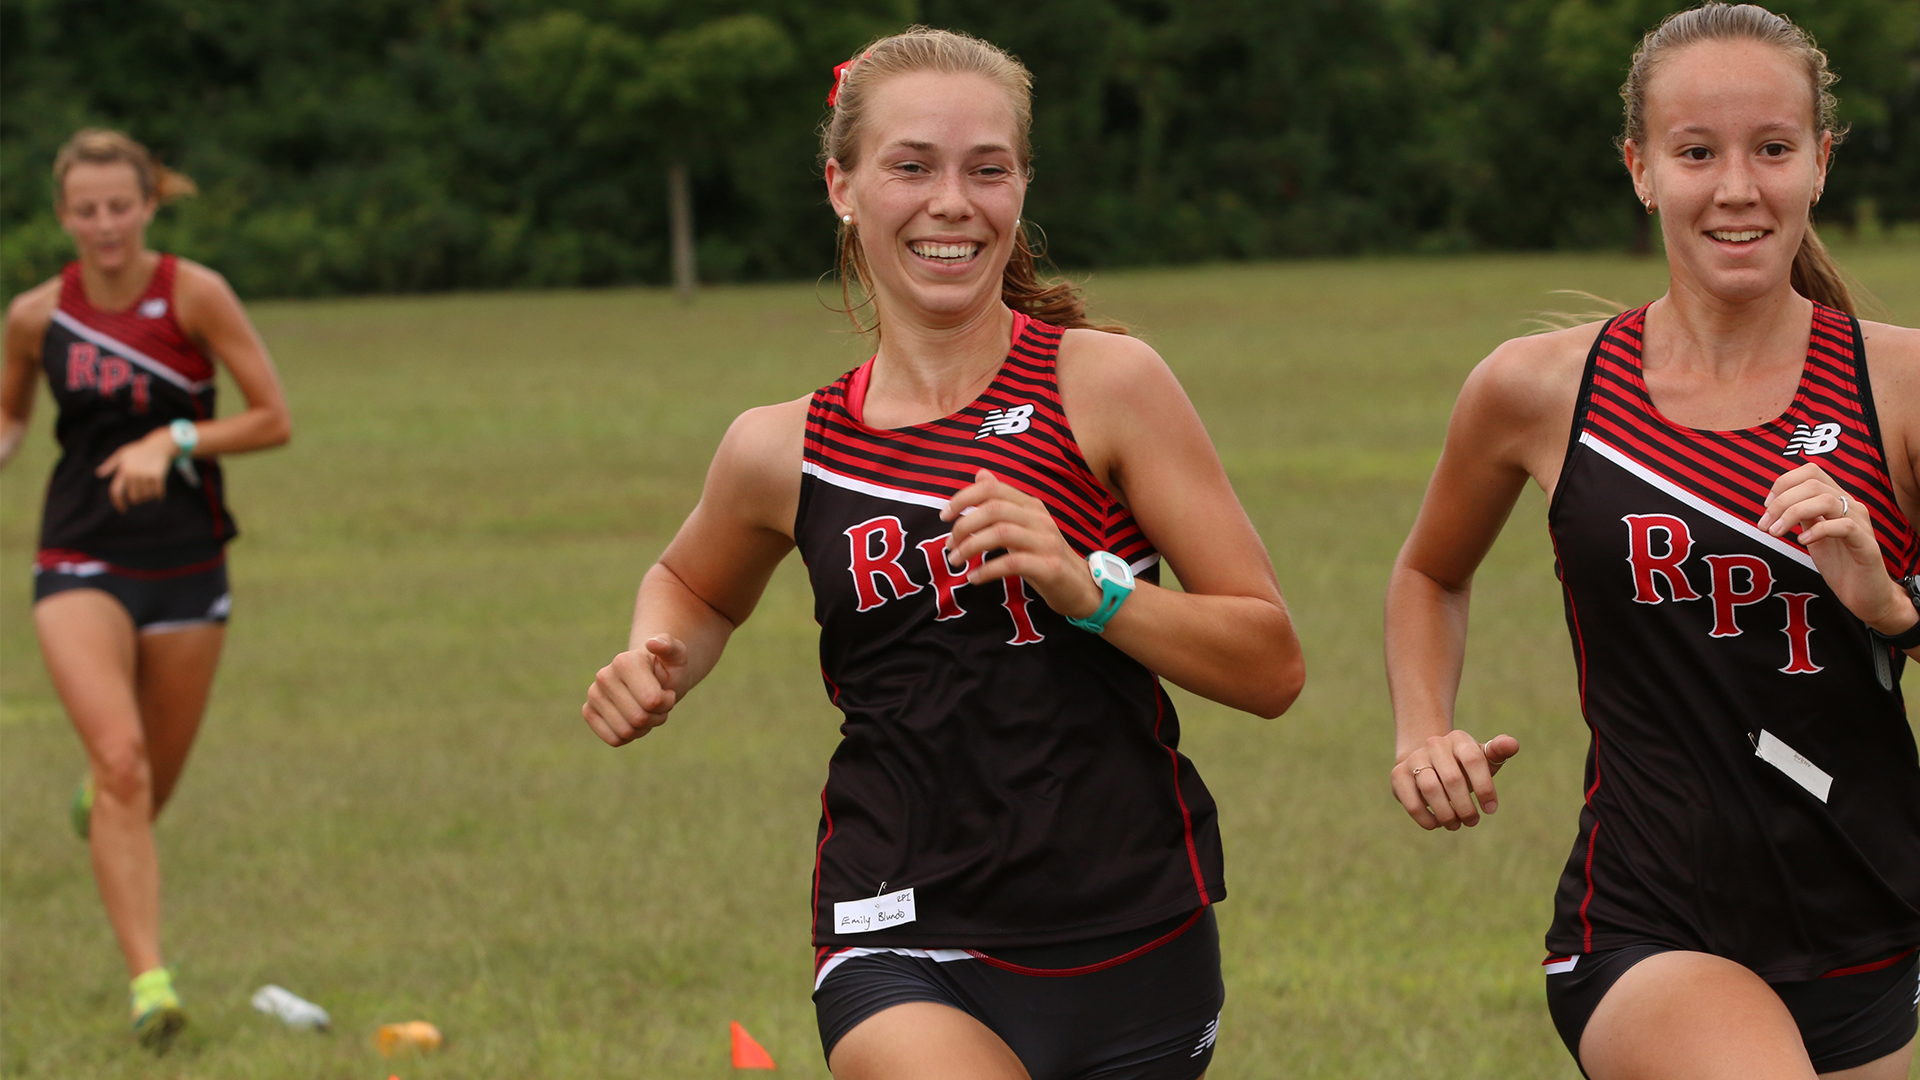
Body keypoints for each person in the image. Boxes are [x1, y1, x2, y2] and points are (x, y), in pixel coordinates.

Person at [582, 27, 1303, 1080]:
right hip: (898, 928)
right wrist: (658, 654)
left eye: (987, 169)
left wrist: (1089, 590)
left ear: (1021, 188)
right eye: (911, 166)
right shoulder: (780, 448)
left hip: (1133, 931)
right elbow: (692, 584)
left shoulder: (1107, 387)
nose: (952, 203)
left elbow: (1271, 663)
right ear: (842, 186)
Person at [1384, 5, 1920, 1078]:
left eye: (1773, 148)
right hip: (1645, 915)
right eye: (1696, 152)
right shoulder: (1537, 387)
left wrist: (1889, 604)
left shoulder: (1899, 384)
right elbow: (1430, 571)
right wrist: (1421, 729)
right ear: (1640, 168)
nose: (1737, 187)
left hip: (1863, 911)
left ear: (1821, 163)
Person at [0, 129, 292, 1049]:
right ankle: (151, 987)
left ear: (147, 204)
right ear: (64, 218)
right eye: (85, 211)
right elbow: (11, 411)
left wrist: (172, 441)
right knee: (120, 760)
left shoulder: (194, 294)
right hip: (78, 557)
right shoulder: (35, 317)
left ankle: (105, 804)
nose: (104, 225)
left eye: (118, 207)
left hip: (189, 564)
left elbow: (272, 418)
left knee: (142, 789)